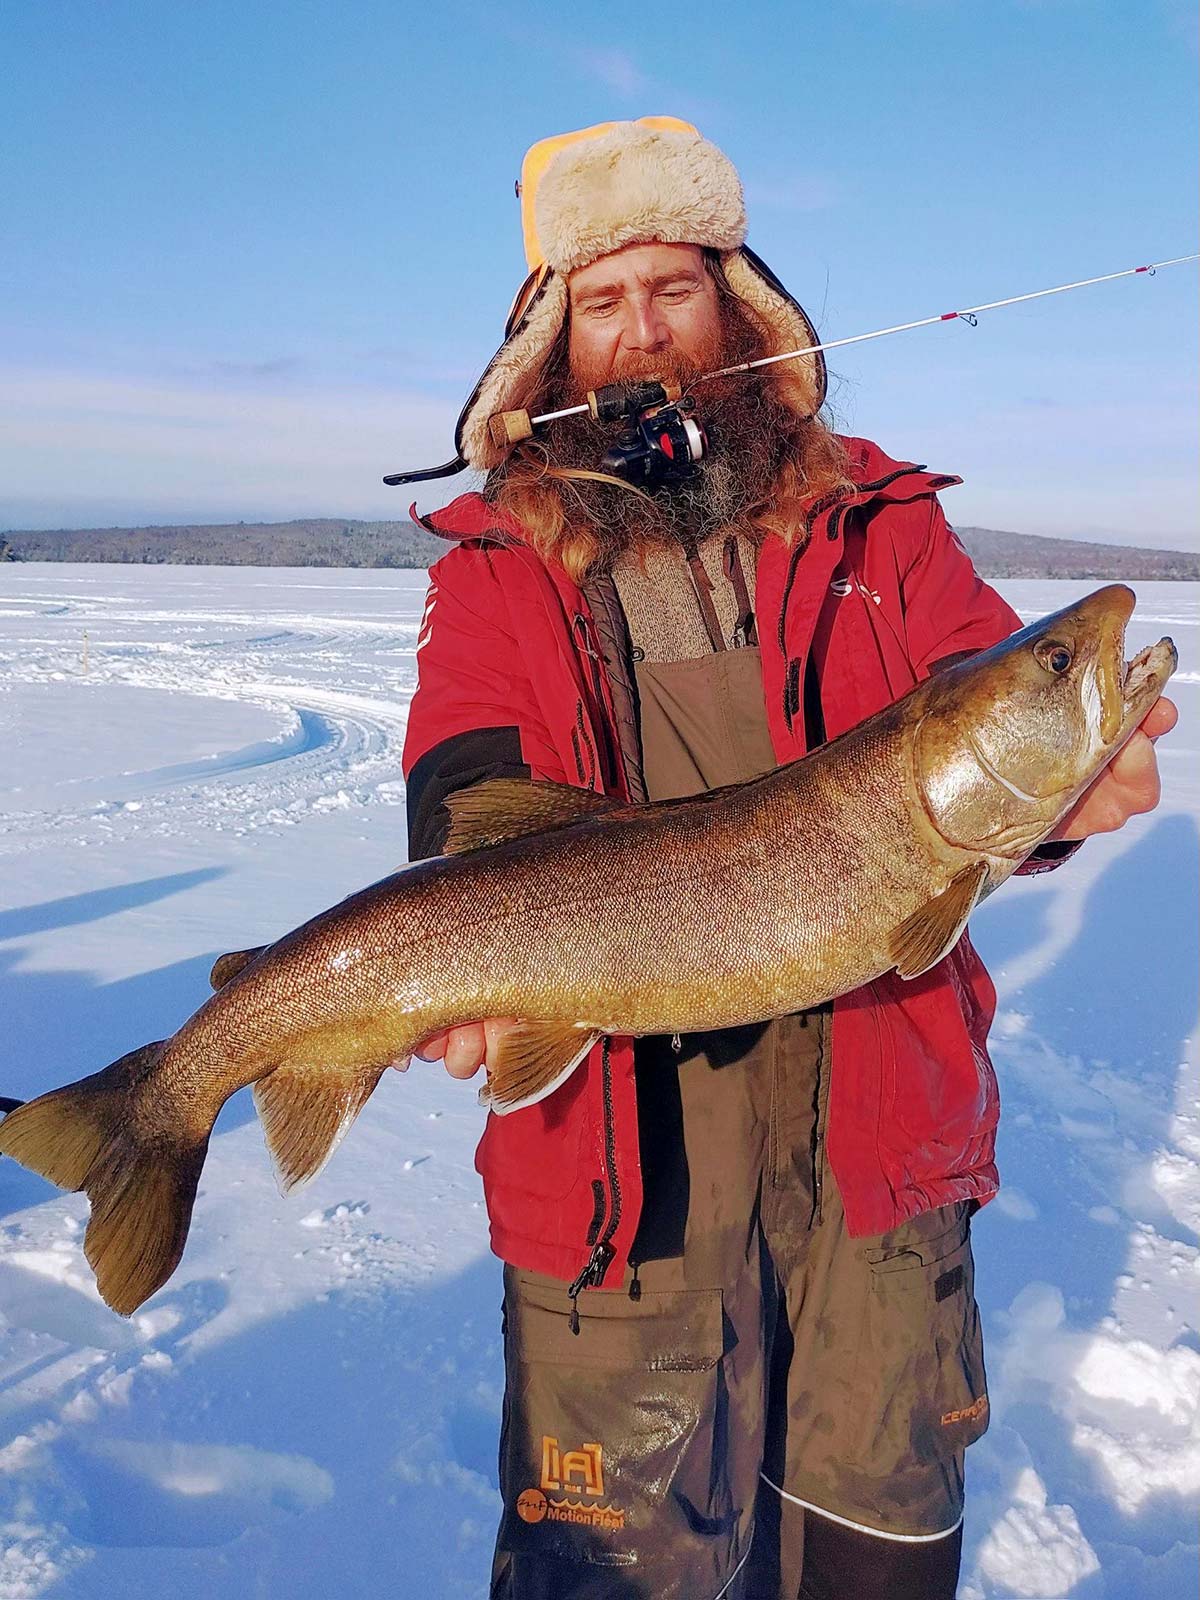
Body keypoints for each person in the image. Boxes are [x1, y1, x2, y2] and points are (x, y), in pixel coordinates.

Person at [398, 119, 1175, 1600]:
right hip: (624, 1162)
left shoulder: (880, 521)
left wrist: (1072, 781)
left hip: (878, 1150)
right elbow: (468, 778)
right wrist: (469, 956)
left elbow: (981, 675)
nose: (643, 336)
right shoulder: (495, 561)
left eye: (672, 292)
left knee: (872, 1558)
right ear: (555, 341)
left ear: (734, 302)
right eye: (603, 302)